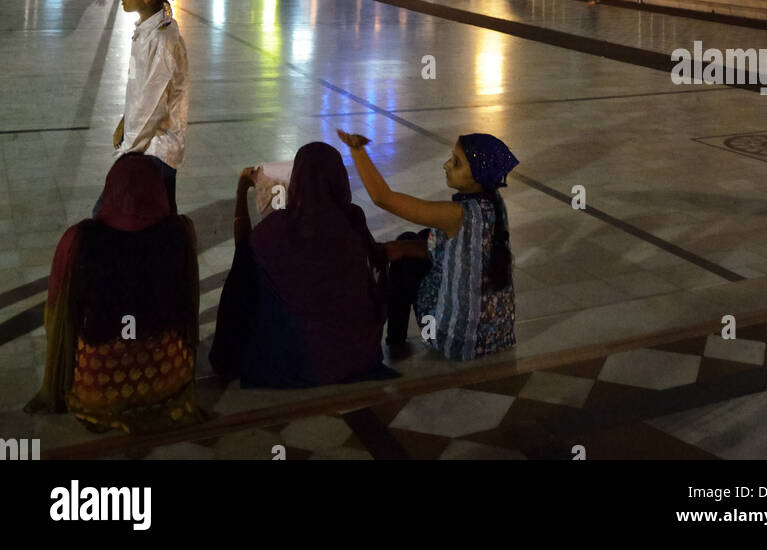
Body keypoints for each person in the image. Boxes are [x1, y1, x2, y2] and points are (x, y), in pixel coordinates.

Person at [27, 154, 200, 434]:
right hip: (167, 380)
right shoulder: (181, 234)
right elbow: (188, 311)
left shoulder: (78, 240)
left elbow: (57, 317)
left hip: (98, 388)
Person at [209, 143, 387, 388]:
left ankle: (225, 359)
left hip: (299, 361)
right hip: (357, 355)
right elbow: (375, 264)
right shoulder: (352, 219)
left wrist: (242, 192)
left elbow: (243, 249)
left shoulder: (279, 228)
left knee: (244, 275)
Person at [338, 129, 518, 361]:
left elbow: (384, 198)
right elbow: (460, 253)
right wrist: (404, 248)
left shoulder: (458, 214)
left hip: (456, 339)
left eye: (456, 163)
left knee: (406, 263)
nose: (446, 165)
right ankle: (396, 337)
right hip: (496, 335)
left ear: (477, 176)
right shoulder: (494, 203)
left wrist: (357, 150)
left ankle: (395, 343)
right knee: (417, 239)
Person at [112, 0, 189, 213]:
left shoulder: (163, 39)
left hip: (156, 149)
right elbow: (141, 91)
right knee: (159, 217)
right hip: (146, 142)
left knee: (154, 217)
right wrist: (125, 120)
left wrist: (126, 152)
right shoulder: (147, 32)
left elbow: (154, 105)